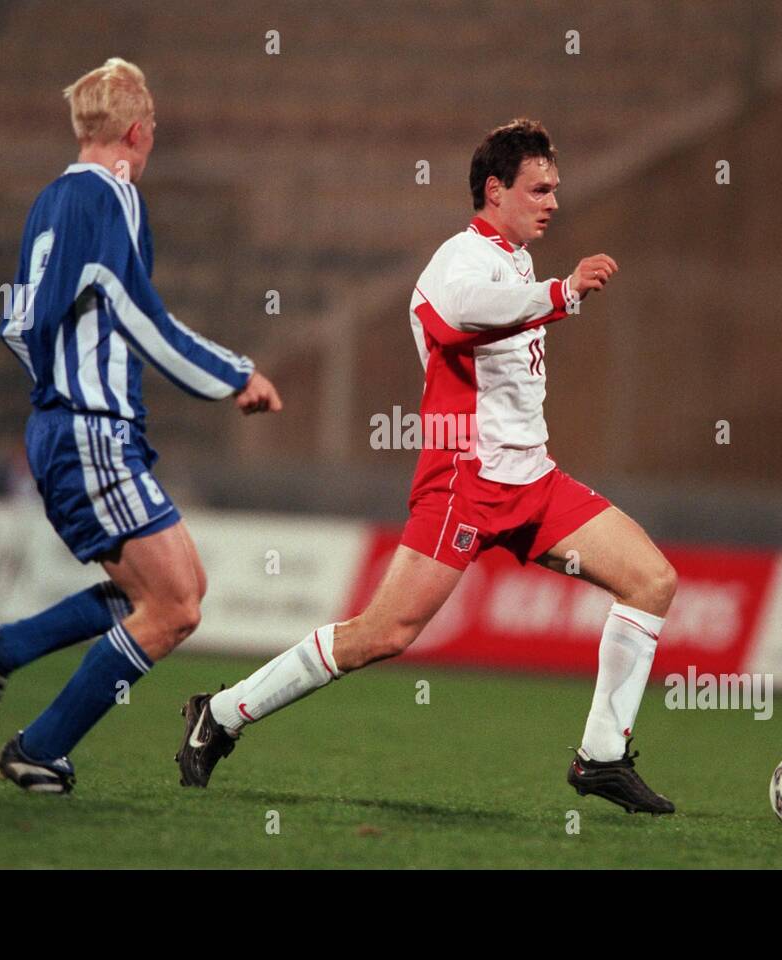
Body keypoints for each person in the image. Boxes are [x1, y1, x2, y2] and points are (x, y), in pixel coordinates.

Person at [175, 119, 677, 815]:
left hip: (533, 481)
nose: (553, 201)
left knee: (651, 580)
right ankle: (222, 714)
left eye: (556, 188)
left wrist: (546, 292)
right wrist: (559, 296)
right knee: (384, 635)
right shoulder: (459, 260)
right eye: (540, 188)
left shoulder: (515, 259)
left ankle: (601, 757)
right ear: (495, 190)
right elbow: (451, 319)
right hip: (463, 485)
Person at [0, 58, 281, 793]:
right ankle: (39, 747)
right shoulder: (113, 196)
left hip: (75, 427)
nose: (155, 137)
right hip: (89, 430)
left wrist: (60, 391)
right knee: (174, 606)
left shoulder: (50, 200)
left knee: (177, 587)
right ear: (137, 130)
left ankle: (4, 650)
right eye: (156, 125)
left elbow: (19, 325)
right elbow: (137, 314)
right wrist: (234, 374)